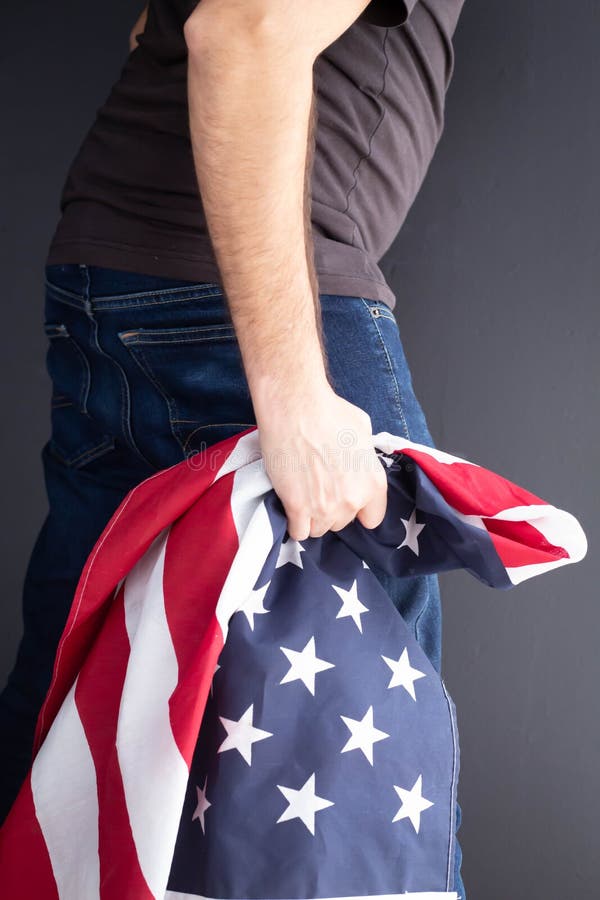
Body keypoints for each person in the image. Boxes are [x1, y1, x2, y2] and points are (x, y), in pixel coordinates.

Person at [0, 0, 466, 895]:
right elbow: (245, 28)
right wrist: (291, 392)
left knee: (72, 726)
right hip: (243, 312)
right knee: (370, 786)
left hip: (124, 274)